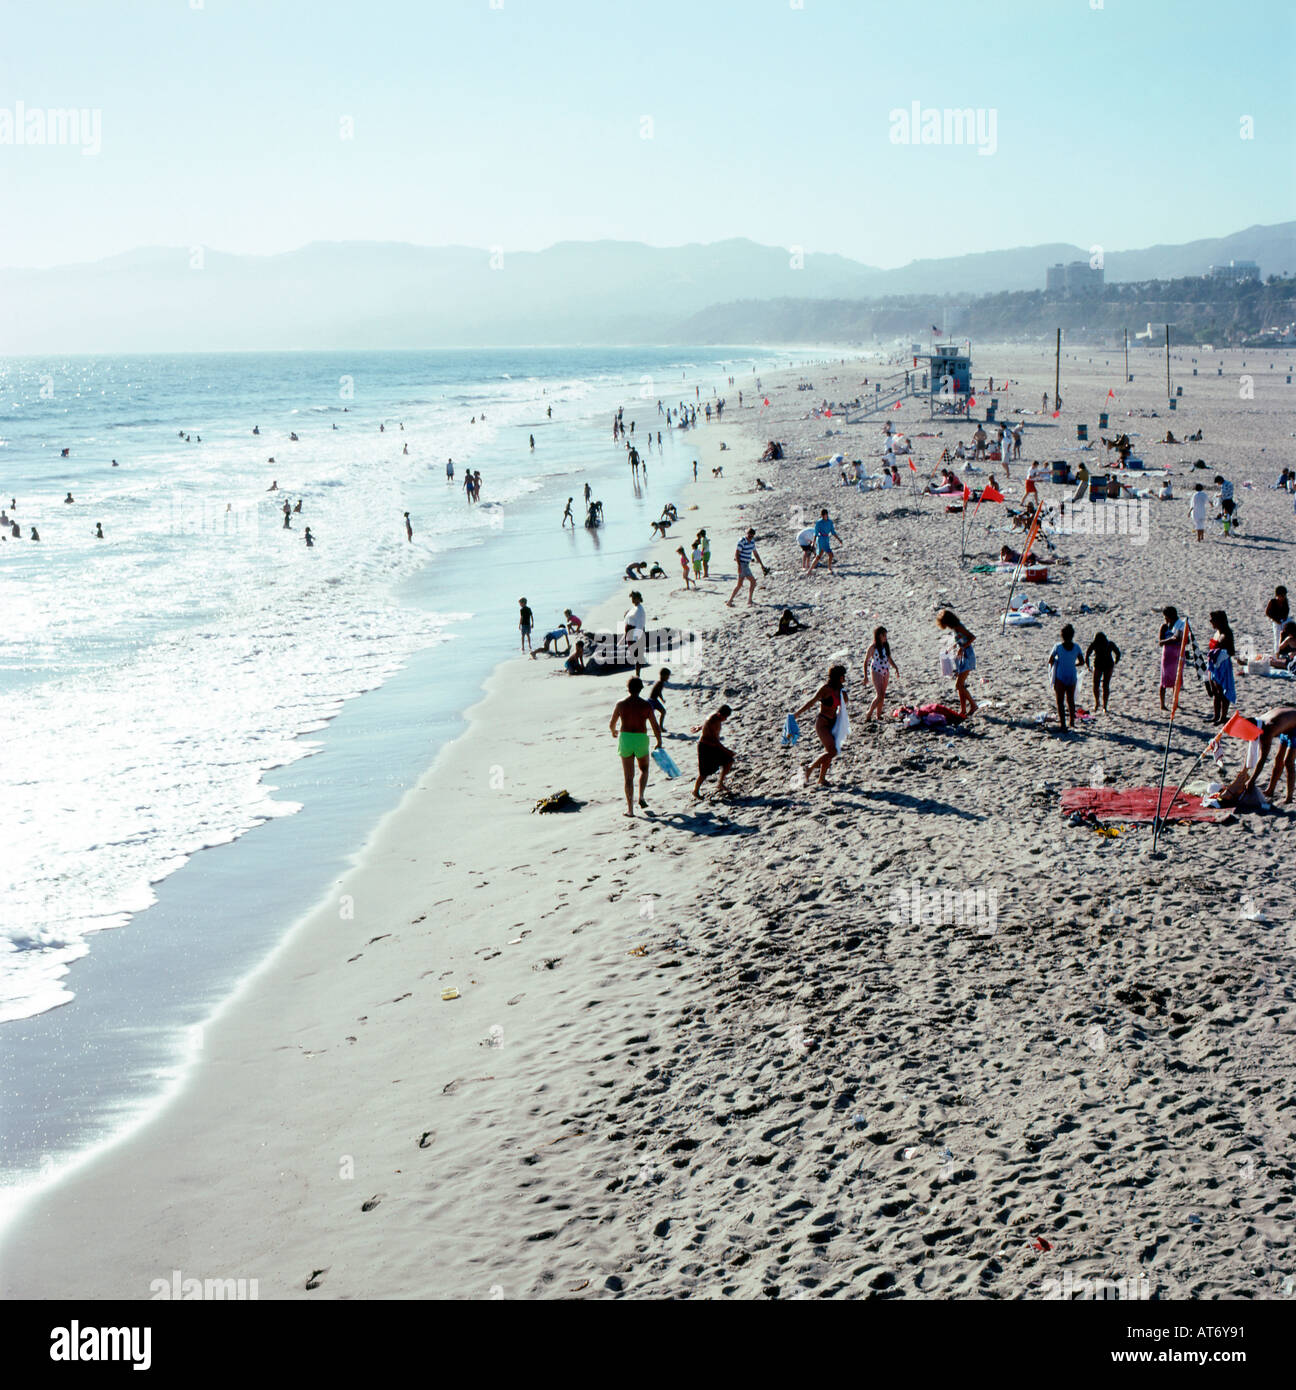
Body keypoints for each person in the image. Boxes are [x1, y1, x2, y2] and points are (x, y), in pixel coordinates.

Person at [609, 677, 663, 817]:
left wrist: (614, 731)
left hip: (626, 739)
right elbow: (655, 726)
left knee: (628, 777)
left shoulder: (620, 704)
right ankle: (641, 797)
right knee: (644, 770)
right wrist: (659, 741)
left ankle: (630, 810)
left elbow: (612, 724)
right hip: (640, 739)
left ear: (628, 688)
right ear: (641, 689)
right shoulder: (646, 705)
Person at [793, 664, 849, 786]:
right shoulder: (825, 689)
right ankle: (810, 768)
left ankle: (821, 779)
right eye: (843, 676)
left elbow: (845, 702)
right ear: (838, 677)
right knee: (832, 751)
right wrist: (797, 714)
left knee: (829, 751)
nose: (844, 678)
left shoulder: (840, 690)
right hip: (822, 724)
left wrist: (843, 692)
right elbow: (811, 702)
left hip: (834, 723)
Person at [1243, 707, 1296, 800]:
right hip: (1287, 724)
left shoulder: (1268, 730)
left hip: (1292, 725)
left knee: (1288, 762)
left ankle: (1289, 798)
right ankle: (1270, 790)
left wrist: (1252, 780)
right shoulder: (1260, 720)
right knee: (1278, 759)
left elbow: (1262, 759)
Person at [937, 609, 978, 718]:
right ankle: (963, 710)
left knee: (959, 685)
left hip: (967, 656)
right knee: (961, 686)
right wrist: (953, 647)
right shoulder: (955, 628)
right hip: (961, 656)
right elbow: (961, 639)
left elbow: (972, 637)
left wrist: (962, 648)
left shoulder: (959, 626)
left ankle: (973, 705)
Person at [692, 705, 735, 800]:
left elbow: (705, 725)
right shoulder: (712, 721)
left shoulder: (716, 717)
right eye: (725, 717)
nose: (725, 719)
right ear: (720, 714)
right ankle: (695, 791)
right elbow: (716, 741)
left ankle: (720, 783)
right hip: (705, 748)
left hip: (713, 746)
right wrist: (727, 751)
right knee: (704, 772)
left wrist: (699, 727)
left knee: (728, 761)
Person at [1049, 624, 1085, 729]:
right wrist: (1073, 664)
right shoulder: (1076, 647)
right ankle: (1072, 722)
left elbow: (1050, 660)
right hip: (1072, 675)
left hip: (1061, 675)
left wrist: (1058, 662)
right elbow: (1082, 662)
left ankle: (1063, 724)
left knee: (1060, 701)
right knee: (1070, 701)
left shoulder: (1058, 647)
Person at [1207, 610, 1237, 726]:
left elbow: (1232, 651)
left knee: (1222, 691)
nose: (1210, 622)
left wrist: (1219, 653)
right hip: (1214, 665)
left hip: (1223, 665)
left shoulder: (1227, 634)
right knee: (1215, 692)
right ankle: (1216, 716)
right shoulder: (1217, 633)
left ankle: (1223, 717)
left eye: (1212, 620)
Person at [863, 626, 899, 720]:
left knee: (883, 694)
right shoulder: (872, 647)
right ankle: (869, 712)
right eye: (884, 635)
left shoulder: (886, 645)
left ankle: (878, 715)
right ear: (879, 636)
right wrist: (866, 676)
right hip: (876, 670)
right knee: (879, 694)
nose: (885, 637)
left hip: (885, 670)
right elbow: (866, 661)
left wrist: (895, 668)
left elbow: (889, 658)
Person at [726, 528, 767, 608]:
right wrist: (739, 566)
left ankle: (730, 601)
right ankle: (749, 600)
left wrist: (761, 564)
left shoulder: (752, 542)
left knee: (739, 585)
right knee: (753, 581)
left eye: (751, 536)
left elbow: (755, 554)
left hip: (746, 564)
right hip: (742, 564)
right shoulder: (742, 541)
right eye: (749, 535)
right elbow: (737, 554)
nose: (750, 537)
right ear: (746, 534)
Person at [1085, 631, 1121, 713]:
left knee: (1096, 685)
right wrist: (1115, 661)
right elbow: (1118, 653)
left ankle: (1097, 703)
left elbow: (1087, 655)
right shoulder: (1109, 644)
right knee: (1105, 685)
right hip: (1108, 665)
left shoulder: (1095, 644)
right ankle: (1104, 706)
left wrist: (1088, 666)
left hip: (1098, 665)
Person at [1158, 606, 1185, 710]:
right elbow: (1160, 642)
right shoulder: (1164, 627)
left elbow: (1181, 639)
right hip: (1168, 655)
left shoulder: (1180, 625)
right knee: (1164, 679)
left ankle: (1175, 701)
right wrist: (1171, 639)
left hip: (1177, 655)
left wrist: (1175, 639)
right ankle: (1162, 704)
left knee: (1176, 679)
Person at [810, 508, 840, 572]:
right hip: (821, 539)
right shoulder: (819, 522)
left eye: (826, 515)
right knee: (830, 554)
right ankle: (829, 569)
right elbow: (816, 532)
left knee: (818, 556)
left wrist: (838, 539)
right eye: (823, 515)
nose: (825, 516)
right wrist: (813, 542)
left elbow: (833, 532)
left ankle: (810, 570)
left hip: (826, 539)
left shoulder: (830, 522)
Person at [624, 590, 647, 669]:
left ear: (638, 599)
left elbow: (640, 625)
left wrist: (636, 638)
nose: (632, 600)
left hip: (635, 632)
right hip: (630, 631)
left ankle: (638, 674)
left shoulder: (640, 610)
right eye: (632, 598)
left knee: (637, 654)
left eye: (634, 598)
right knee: (633, 654)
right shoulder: (634, 607)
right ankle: (637, 670)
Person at [1265, 586, 1288, 652]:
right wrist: (1275, 620)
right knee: (1277, 637)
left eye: (1284, 596)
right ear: (1278, 595)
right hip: (1275, 621)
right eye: (1282, 596)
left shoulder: (1285, 601)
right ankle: (1277, 652)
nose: (1283, 597)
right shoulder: (1272, 602)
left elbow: (1287, 610)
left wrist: (1284, 619)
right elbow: (1267, 612)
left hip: (1283, 621)